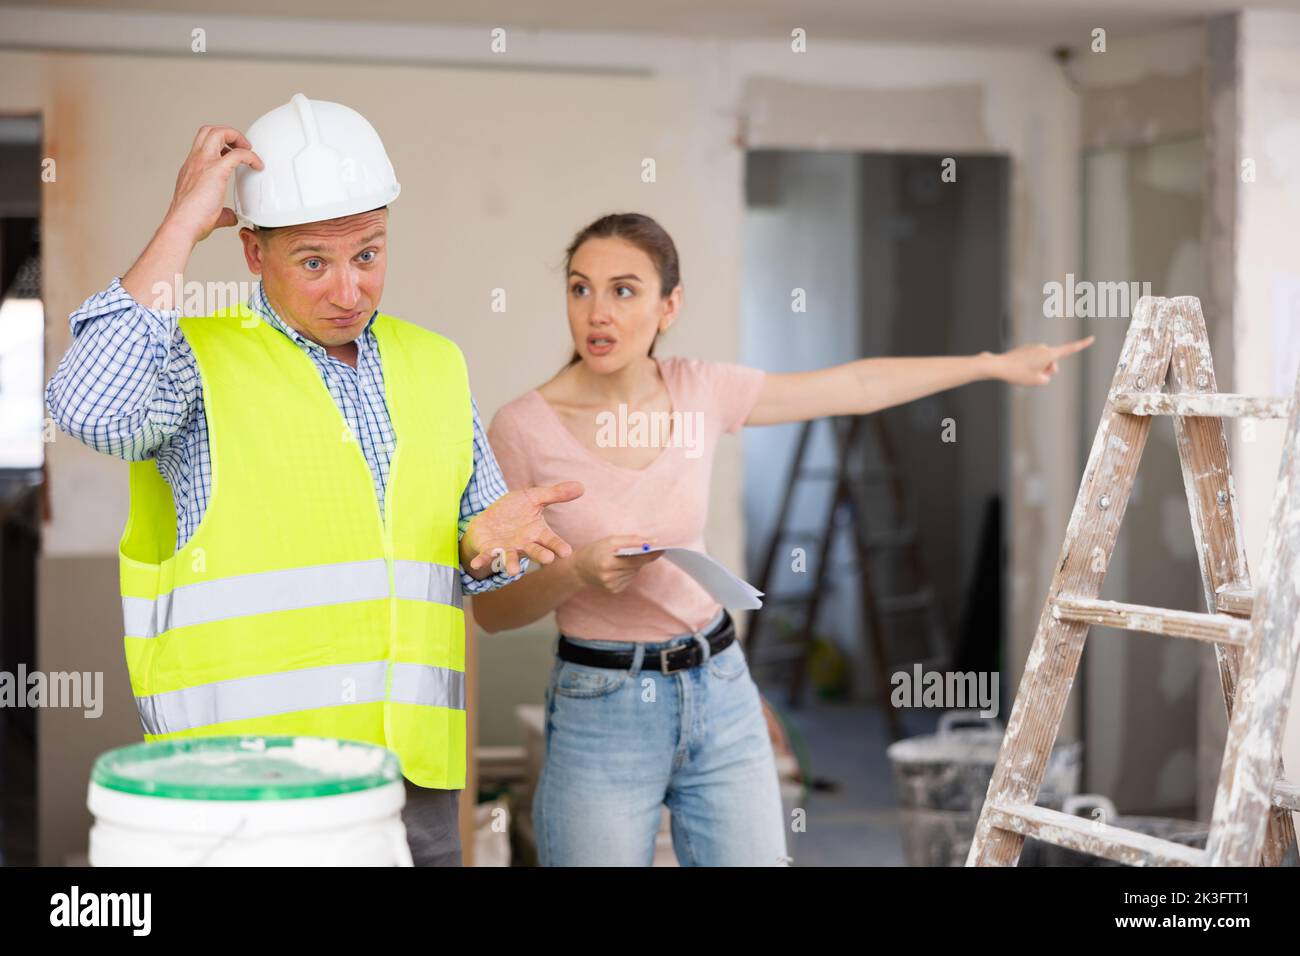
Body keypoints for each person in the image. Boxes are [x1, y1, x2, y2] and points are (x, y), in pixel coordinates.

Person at [45, 93, 582, 867]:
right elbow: (89, 408)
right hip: (244, 789)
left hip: (411, 785)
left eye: (367, 254)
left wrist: (481, 556)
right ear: (253, 254)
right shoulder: (195, 363)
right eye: (313, 262)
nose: (348, 290)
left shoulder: (436, 364)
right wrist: (180, 225)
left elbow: (476, 576)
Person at [472, 212, 1093, 866]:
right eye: (580, 288)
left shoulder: (699, 389)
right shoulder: (523, 429)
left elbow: (853, 386)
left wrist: (990, 365)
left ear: (669, 306)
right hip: (602, 705)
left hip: (719, 684)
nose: (598, 312)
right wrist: (578, 573)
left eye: (623, 290)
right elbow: (491, 610)